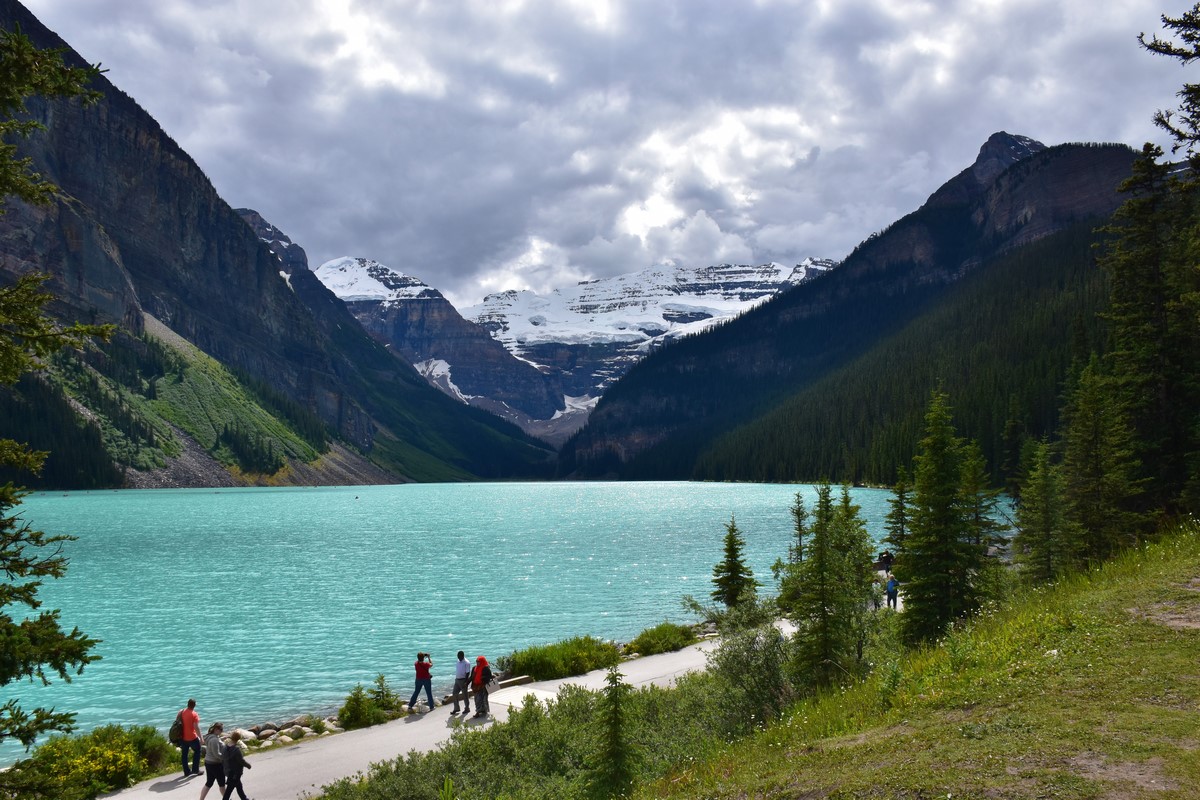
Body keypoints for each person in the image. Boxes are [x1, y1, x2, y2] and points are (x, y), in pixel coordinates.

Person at [220, 730, 252, 800]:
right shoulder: (236, 750)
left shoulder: (225, 747)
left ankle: (244, 798)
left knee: (239, 786)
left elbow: (222, 759)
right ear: (238, 739)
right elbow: (241, 761)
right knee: (229, 790)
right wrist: (248, 765)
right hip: (235, 773)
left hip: (228, 771)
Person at [198, 722, 225, 800]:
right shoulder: (214, 740)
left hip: (208, 762)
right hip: (215, 764)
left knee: (209, 783)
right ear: (215, 729)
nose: (222, 731)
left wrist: (221, 739)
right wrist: (225, 758)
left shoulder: (209, 737)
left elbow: (215, 743)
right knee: (222, 784)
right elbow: (216, 754)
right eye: (221, 729)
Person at [177, 698, 202, 777]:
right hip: (192, 737)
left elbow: (177, 723)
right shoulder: (194, 714)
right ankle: (195, 770)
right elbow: (196, 728)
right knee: (197, 751)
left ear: (187, 704)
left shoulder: (181, 712)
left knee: (184, 754)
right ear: (194, 705)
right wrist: (201, 738)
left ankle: (186, 771)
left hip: (182, 737)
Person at [450, 651, 472, 715]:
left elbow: (468, 673)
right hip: (457, 680)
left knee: (465, 695)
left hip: (463, 680)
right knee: (454, 693)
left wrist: (466, 682)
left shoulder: (467, 663)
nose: (458, 658)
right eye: (458, 656)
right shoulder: (458, 661)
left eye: (459, 657)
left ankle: (467, 708)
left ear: (462, 656)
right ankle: (456, 708)